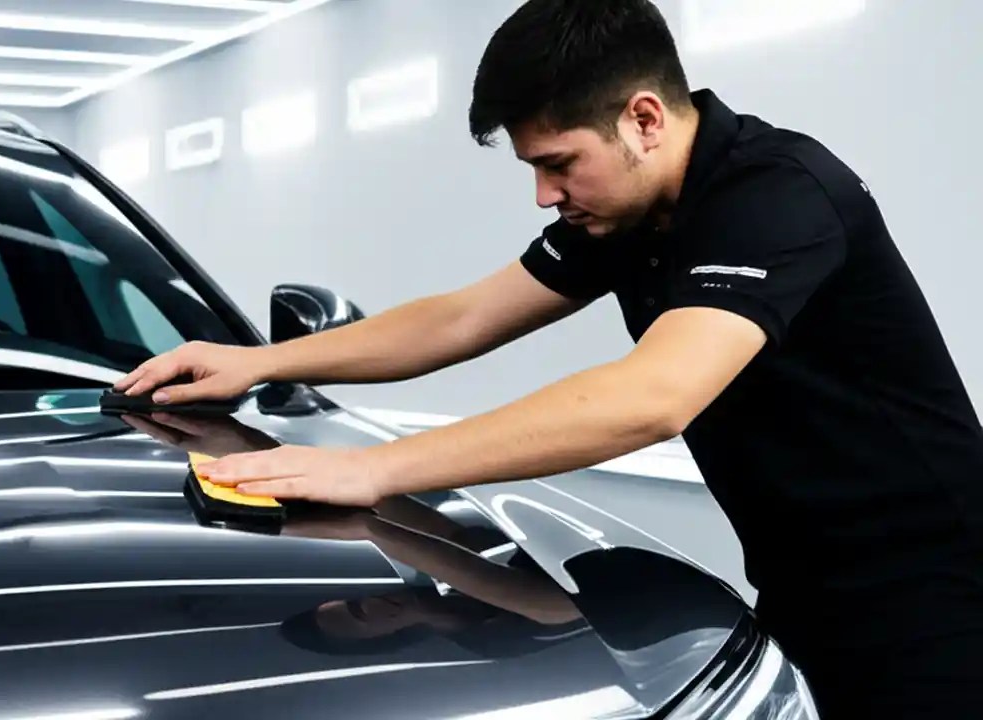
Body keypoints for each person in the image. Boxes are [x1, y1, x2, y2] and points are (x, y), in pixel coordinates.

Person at [114, 0, 983, 714]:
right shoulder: (632, 215)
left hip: (941, 602)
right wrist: (262, 363)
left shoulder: (783, 195)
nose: (544, 193)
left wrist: (374, 470)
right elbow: (457, 319)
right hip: (805, 589)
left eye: (559, 163)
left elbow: (655, 396)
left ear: (643, 117)